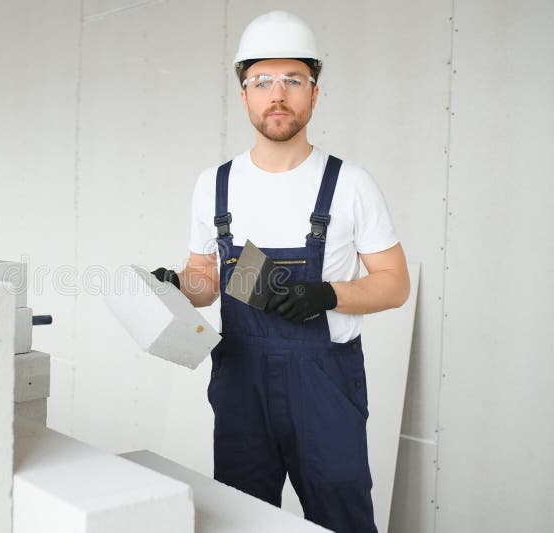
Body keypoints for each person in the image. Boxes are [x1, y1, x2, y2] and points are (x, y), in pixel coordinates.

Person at [152, 10, 410, 533]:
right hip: (241, 381)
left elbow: (395, 283)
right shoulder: (214, 184)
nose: (278, 94)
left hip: (324, 385)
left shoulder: (350, 183)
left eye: (293, 80)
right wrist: (179, 286)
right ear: (244, 94)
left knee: (343, 518)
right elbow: (207, 277)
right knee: (241, 517)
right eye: (262, 81)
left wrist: (328, 295)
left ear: (314, 94)